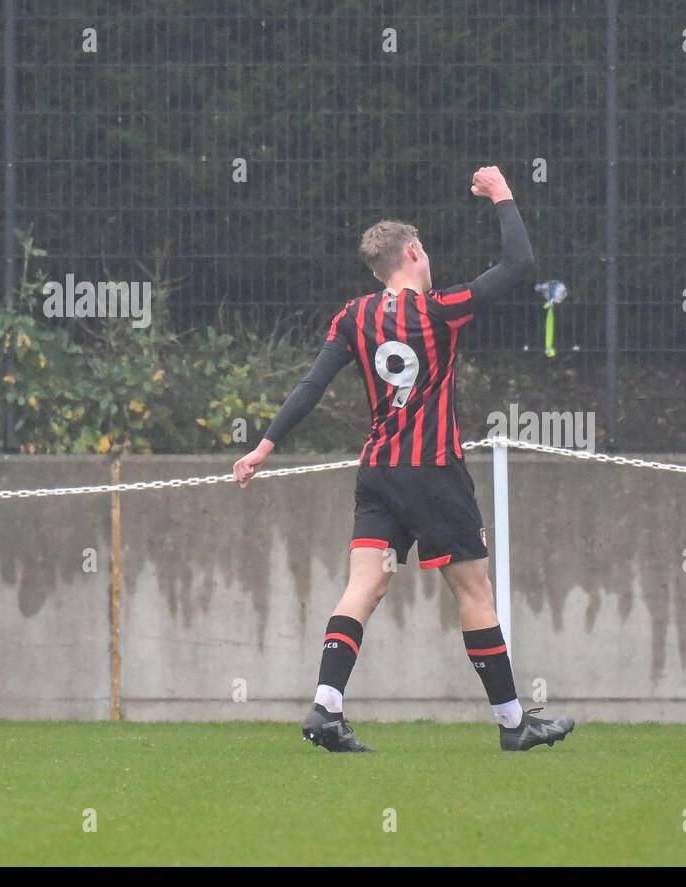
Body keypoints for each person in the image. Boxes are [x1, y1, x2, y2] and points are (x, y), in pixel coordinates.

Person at [233, 166, 575, 753]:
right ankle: (514, 724)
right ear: (413, 252)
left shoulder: (353, 316)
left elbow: (312, 386)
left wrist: (265, 445)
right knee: (474, 594)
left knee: (363, 586)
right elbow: (519, 267)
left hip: (378, 473)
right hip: (434, 473)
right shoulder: (442, 310)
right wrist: (502, 196)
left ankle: (326, 708)